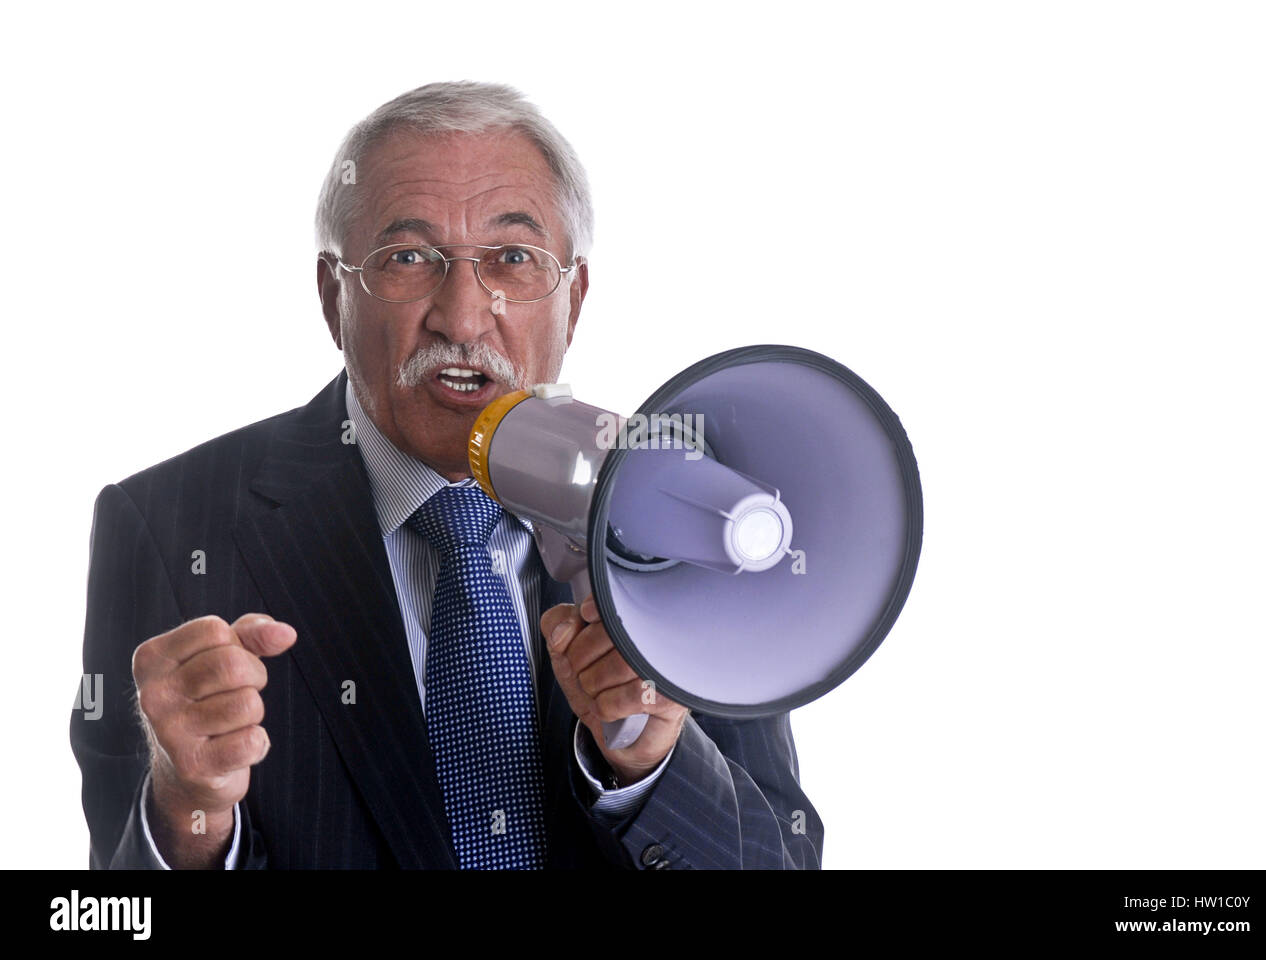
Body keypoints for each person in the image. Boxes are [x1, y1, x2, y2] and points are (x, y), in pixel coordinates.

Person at [70, 81, 823, 870]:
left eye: (513, 258)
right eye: (408, 258)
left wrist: (647, 767)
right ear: (333, 297)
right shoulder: (164, 524)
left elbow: (782, 859)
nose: (463, 318)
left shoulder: (689, 509)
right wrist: (190, 808)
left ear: (576, 297)